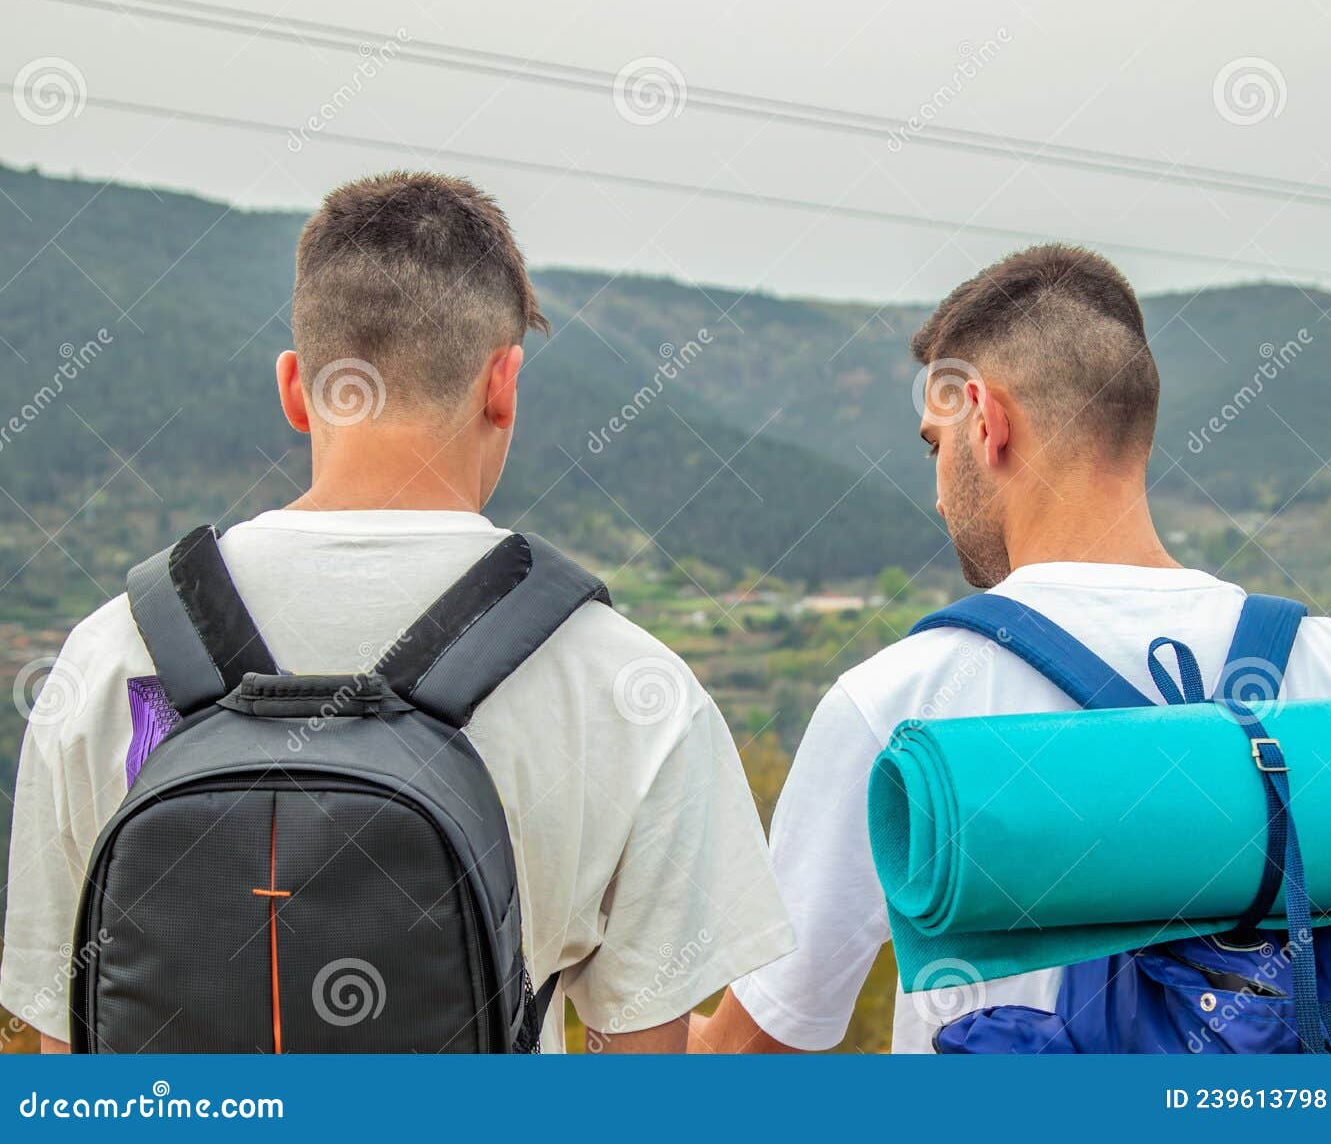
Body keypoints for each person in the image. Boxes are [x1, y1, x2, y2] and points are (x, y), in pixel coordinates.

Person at [1, 171, 793, 1053]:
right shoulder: (632, 686)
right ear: (503, 382)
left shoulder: (109, 653)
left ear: (297, 387)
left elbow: (63, 1043)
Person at [693, 244, 1331, 1054]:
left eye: (934, 440)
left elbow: (755, 1054)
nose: (937, 494)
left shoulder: (900, 709)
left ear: (987, 420)